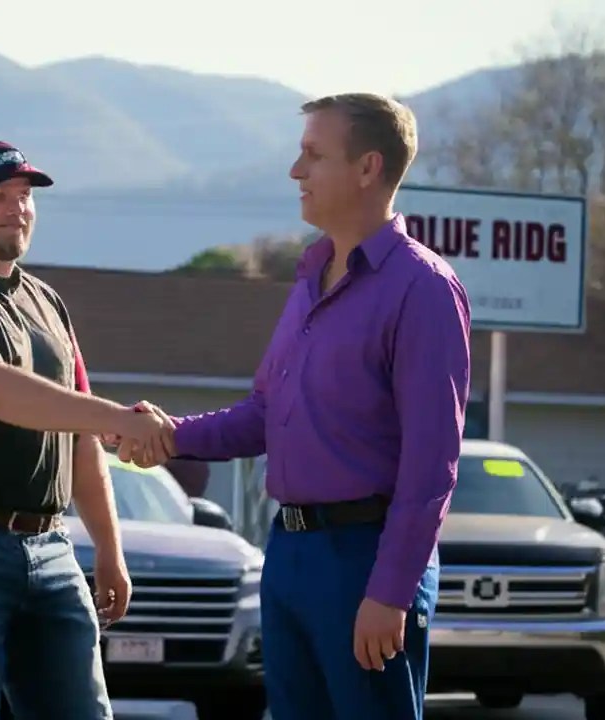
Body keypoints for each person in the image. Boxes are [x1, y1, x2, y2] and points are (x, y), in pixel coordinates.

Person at [123, 94, 472, 720]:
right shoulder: (311, 278)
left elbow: (432, 465)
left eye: (313, 154)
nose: (295, 170)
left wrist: (390, 593)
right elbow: (265, 413)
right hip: (289, 555)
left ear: (367, 168)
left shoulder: (424, 289)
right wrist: (171, 435)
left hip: (364, 563)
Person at [0, 139, 174, 720]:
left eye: (24, 196)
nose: (16, 208)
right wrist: (120, 420)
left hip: (50, 546)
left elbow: (77, 429)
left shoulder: (47, 302)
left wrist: (109, 550)